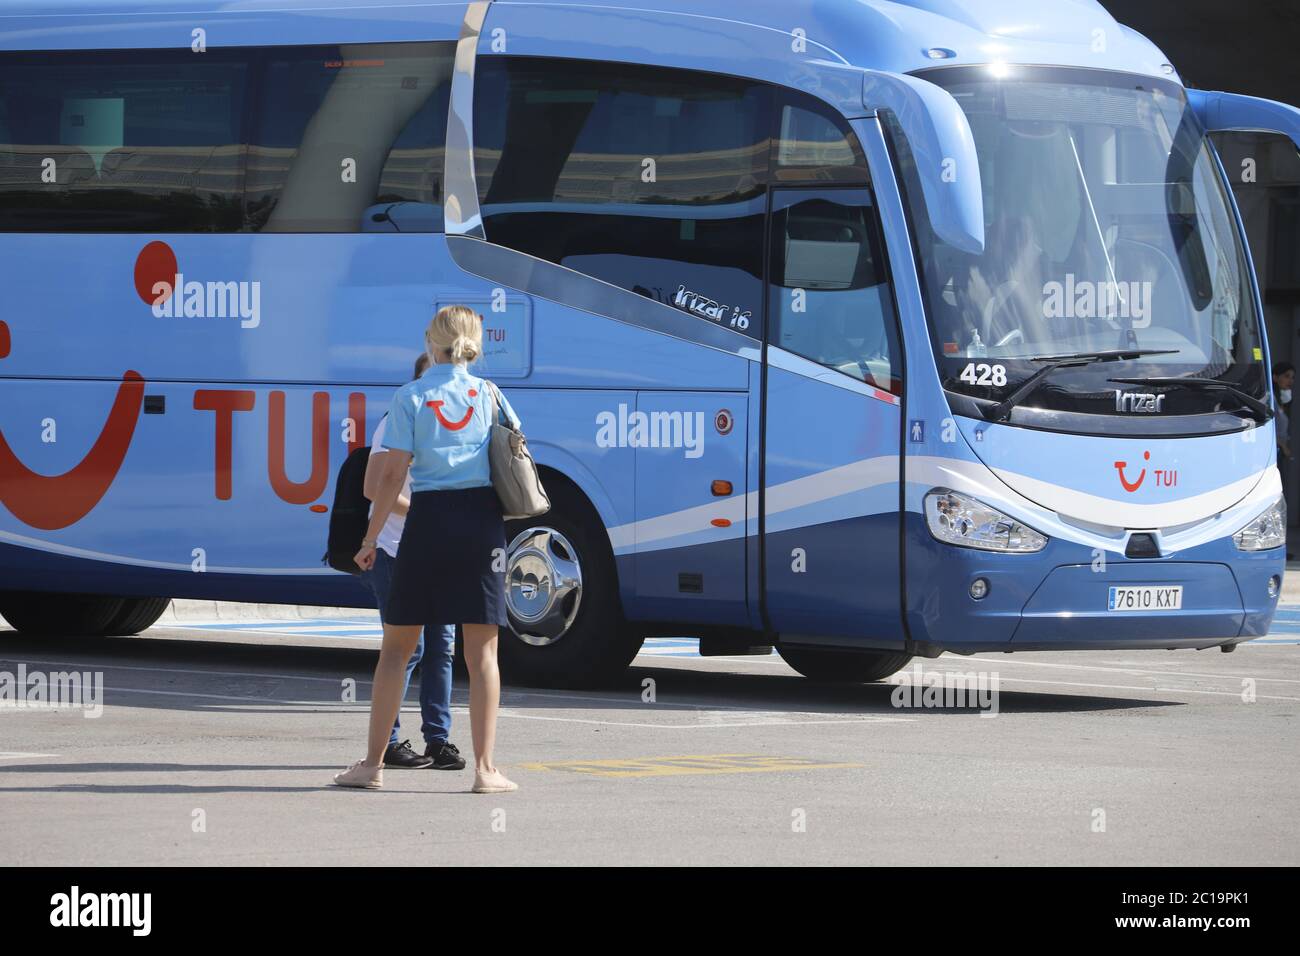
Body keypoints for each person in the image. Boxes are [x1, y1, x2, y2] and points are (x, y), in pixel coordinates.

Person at [333, 305, 521, 794]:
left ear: (429, 344)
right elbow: (517, 451)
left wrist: (371, 539)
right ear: (474, 345)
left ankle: (372, 766)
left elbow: (392, 476)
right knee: (483, 652)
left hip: (427, 520)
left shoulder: (410, 397)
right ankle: (485, 771)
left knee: (396, 649)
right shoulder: (491, 394)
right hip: (482, 524)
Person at [360, 351, 465, 771]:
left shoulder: (451, 428)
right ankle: (386, 742)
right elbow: (374, 487)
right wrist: (425, 513)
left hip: (438, 552)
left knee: (442, 647)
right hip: (395, 550)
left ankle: (438, 740)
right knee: (407, 648)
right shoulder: (394, 423)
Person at [1273, 361, 1294, 559]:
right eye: (1287, 376)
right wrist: (1284, 446)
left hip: (1281, 456)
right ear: (1275, 377)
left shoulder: (1282, 402)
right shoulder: (1270, 400)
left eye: (1292, 377)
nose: (1290, 381)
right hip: (1276, 456)